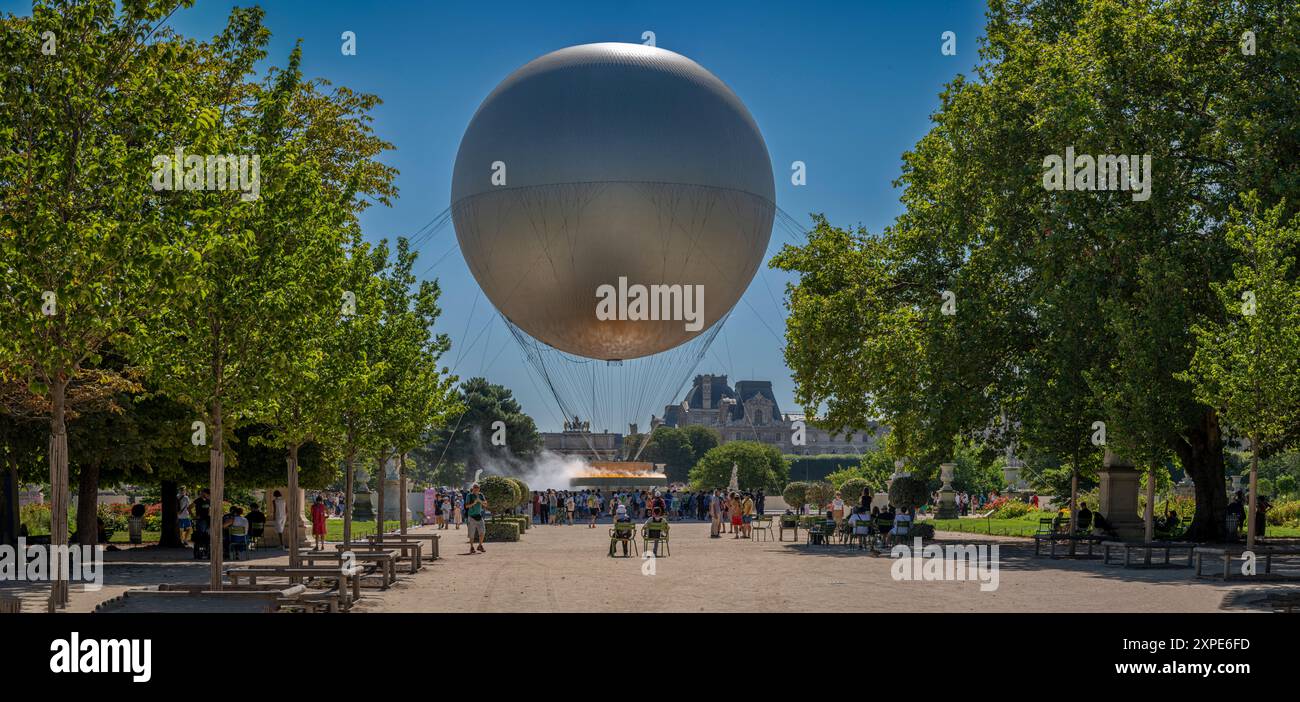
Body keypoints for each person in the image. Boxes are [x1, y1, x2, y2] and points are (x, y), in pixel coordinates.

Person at [463, 483, 487, 554]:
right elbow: (466, 506)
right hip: (471, 517)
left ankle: (480, 545)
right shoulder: (469, 495)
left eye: (477, 488)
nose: (476, 489)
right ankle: (471, 547)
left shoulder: (481, 495)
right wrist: (474, 503)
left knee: (482, 532)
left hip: (479, 516)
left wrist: (480, 501)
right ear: (472, 489)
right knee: (471, 534)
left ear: (479, 489)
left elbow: (485, 504)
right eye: (475, 488)